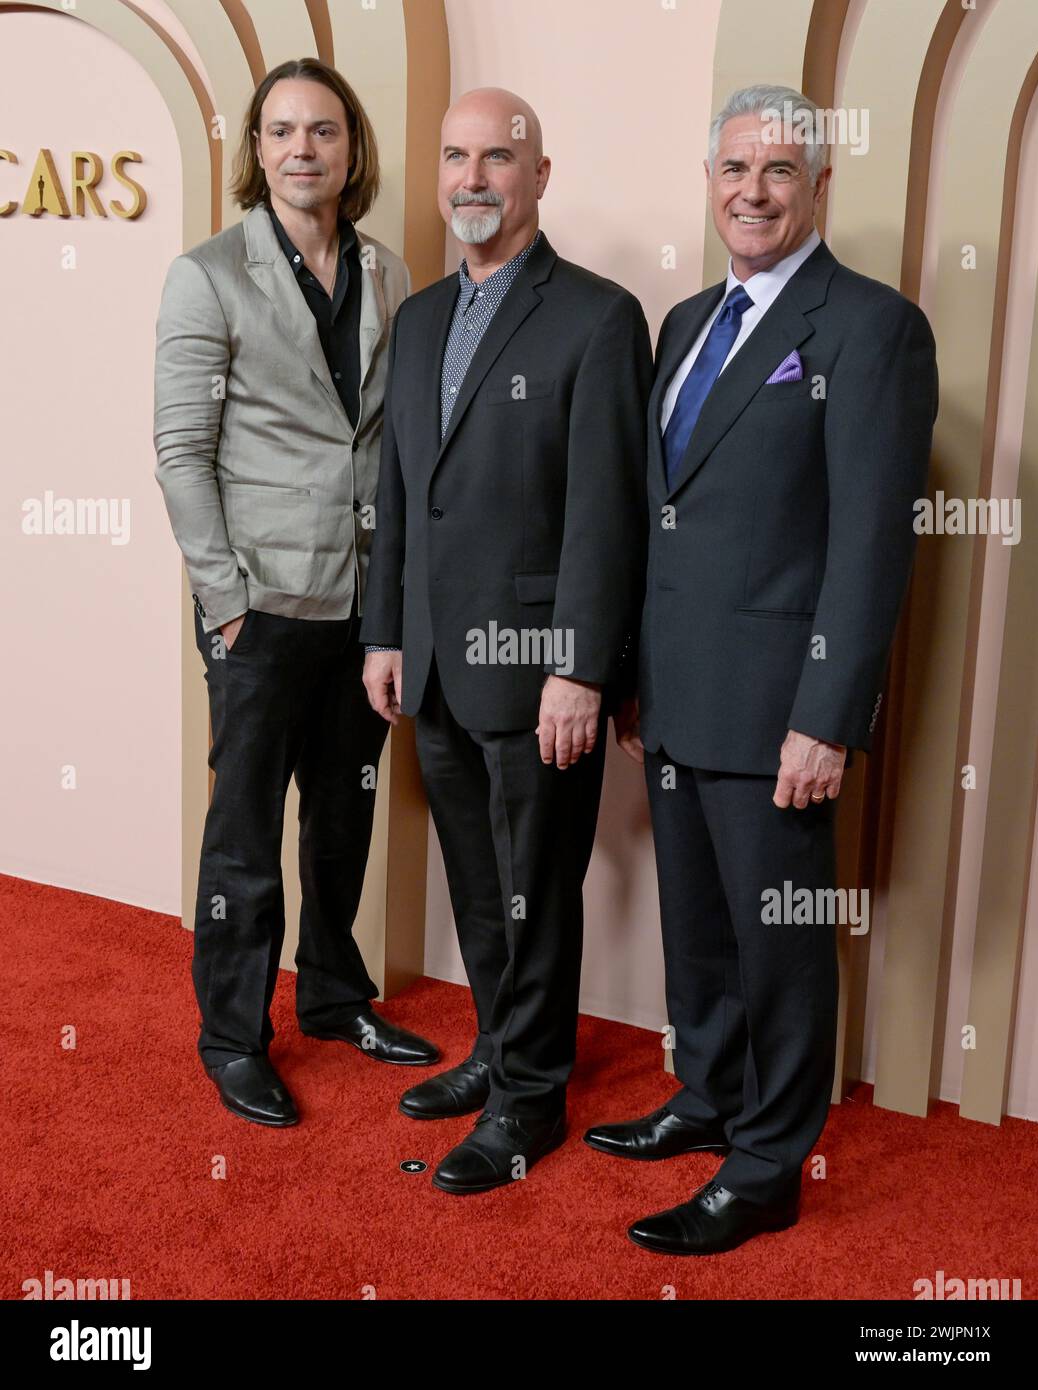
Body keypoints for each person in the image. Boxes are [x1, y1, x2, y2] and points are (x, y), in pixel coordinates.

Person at [585, 84, 938, 1254]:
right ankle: (707, 1097)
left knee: (777, 942)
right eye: (734, 169)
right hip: (677, 699)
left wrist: (826, 717)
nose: (753, 191)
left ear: (818, 188)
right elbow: (658, 516)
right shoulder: (686, 323)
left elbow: (868, 545)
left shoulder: (868, 328)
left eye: (778, 172)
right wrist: (629, 670)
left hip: (782, 707)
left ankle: (768, 1161)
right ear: (710, 178)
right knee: (699, 932)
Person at [360, 87, 652, 1194]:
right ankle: (493, 1047)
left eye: (496, 157)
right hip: (431, 663)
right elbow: (399, 493)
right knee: (479, 886)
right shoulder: (422, 316)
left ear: (538, 175)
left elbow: (604, 512)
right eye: (454, 157)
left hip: (538, 674)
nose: (472, 178)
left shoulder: (596, 315)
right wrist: (384, 632)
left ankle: (530, 1099)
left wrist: (580, 666)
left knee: (537, 884)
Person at [153, 57, 437, 1129]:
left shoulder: (392, 272)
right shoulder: (208, 274)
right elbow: (182, 453)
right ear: (256, 150)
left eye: (322, 131)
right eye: (281, 132)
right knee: (242, 837)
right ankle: (231, 1034)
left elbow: (393, 444)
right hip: (259, 607)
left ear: (350, 148)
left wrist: (394, 604)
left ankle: (331, 996)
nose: (302, 150)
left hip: (359, 608)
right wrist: (226, 602)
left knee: (342, 820)